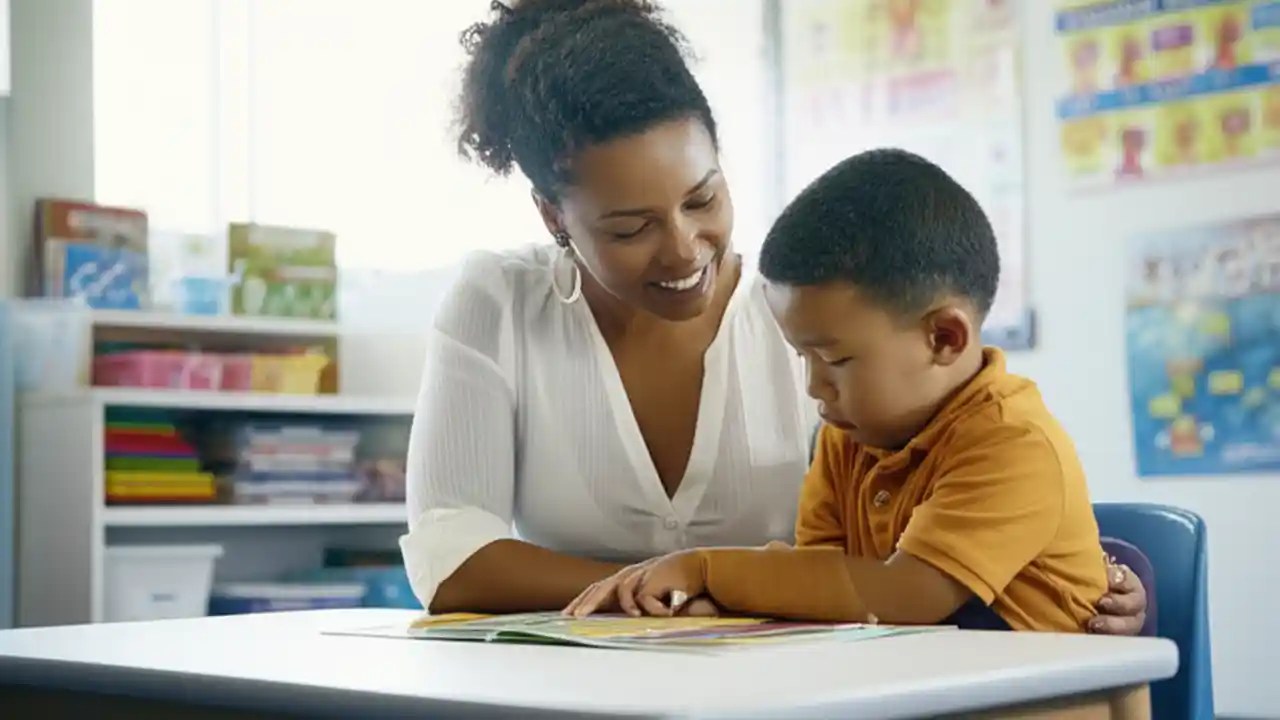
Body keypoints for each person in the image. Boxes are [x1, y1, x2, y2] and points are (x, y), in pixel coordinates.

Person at [400, 0, 1147, 634]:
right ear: (553, 216)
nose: (684, 248)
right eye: (630, 229)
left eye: (703, 199)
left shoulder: (816, 317)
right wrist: (670, 586)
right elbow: (451, 558)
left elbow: (941, 522)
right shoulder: (497, 304)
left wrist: (1100, 568)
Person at [568, 150, 1109, 632]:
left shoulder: (1013, 444)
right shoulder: (847, 438)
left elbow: (906, 595)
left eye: (835, 359)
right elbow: (821, 583)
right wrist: (713, 602)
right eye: (802, 357)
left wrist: (710, 568)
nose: (813, 386)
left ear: (944, 337)